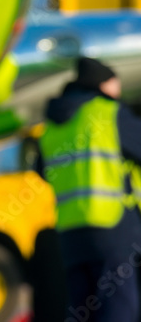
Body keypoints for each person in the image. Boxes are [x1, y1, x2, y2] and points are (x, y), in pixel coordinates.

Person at [39, 56, 141, 322]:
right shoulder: (108, 112)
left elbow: (42, 169)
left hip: (70, 229)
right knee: (118, 306)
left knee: (81, 307)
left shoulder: (53, 123)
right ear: (105, 84)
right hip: (111, 225)